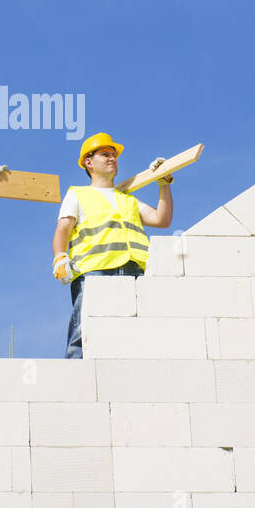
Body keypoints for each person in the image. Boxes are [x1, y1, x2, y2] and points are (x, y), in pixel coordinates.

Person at [51, 133, 173, 359]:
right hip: (94, 272)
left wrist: (163, 183)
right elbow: (62, 229)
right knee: (84, 332)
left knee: (138, 332)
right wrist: (60, 256)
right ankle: (74, 377)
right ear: (89, 162)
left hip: (135, 270)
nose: (112, 158)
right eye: (105, 154)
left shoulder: (128, 200)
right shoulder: (78, 194)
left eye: (114, 155)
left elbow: (161, 220)